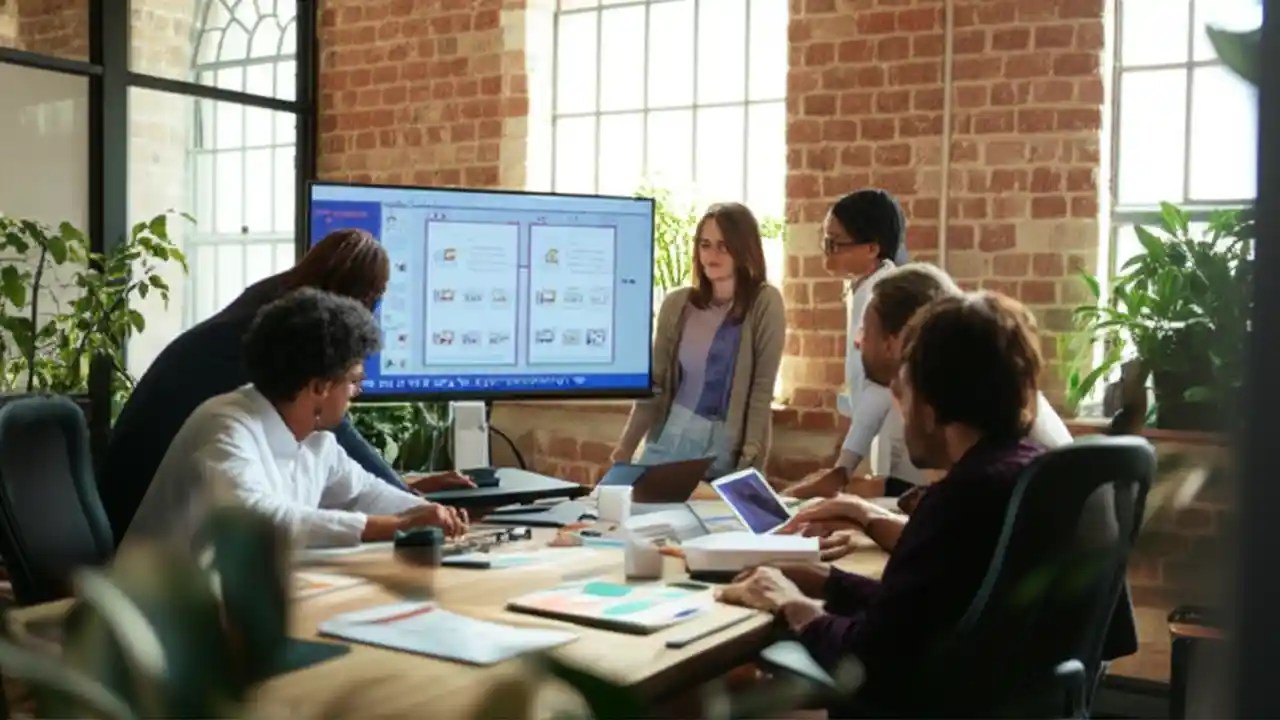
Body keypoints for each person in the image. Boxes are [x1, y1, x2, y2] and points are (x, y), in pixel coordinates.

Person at [717, 291, 1050, 715]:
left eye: (903, 394)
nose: (903, 412)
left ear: (931, 409)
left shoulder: (961, 498)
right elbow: (921, 611)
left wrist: (789, 602)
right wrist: (828, 581)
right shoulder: (1026, 475)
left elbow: (869, 659)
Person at [102, 229, 472, 542]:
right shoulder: (229, 422)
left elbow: (362, 490)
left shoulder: (311, 437)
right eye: (354, 382)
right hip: (152, 587)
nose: (356, 394)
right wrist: (393, 526)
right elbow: (258, 518)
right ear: (319, 385)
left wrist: (424, 509)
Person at [784, 263, 1072, 516]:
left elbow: (946, 535)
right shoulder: (995, 402)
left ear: (900, 339)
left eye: (866, 331)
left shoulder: (975, 436)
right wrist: (864, 514)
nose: (858, 342)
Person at [611, 202, 785, 476]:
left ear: (743, 249)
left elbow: (761, 391)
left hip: (725, 445)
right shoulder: (677, 304)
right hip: (671, 437)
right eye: (705, 245)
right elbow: (654, 386)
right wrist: (625, 448)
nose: (711, 255)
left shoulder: (765, 303)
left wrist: (750, 459)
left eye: (723, 246)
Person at [798, 190, 910, 497]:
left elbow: (880, 386)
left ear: (872, 247)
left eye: (835, 243)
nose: (827, 251)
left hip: (903, 440)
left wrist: (842, 468)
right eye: (825, 240)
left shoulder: (882, 295)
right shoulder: (864, 289)